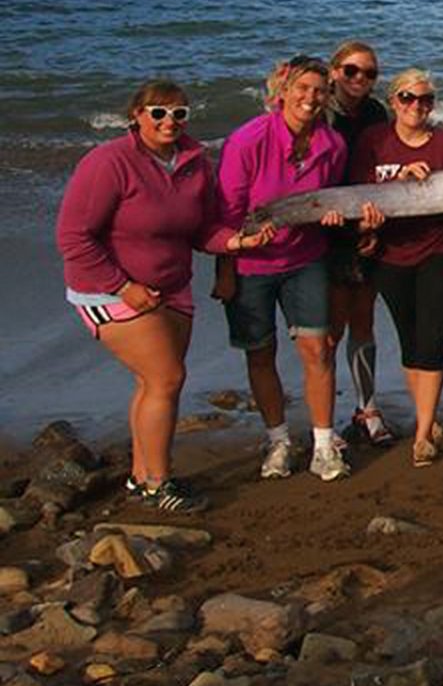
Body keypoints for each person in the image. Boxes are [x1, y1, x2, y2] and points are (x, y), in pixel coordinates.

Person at [57, 82, 272, 512]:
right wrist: (124, 288)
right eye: (158, 112)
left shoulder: (194, 162)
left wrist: (237, 243)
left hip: (172, 288)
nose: (169, 121)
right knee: (166, 379)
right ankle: (159, 484)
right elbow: (73, 237)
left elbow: (202, 230)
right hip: (108, 289)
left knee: (152, 382)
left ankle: (141, 477)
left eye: (179, 114)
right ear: (136, 116)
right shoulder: (109, 161)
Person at [217, 56, 364, 482]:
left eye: (319, 91)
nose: (310, 98)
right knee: (261, 352)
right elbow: (227, 213)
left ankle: (323, 446)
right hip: (251, 263)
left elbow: (327, 200)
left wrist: (333, 216)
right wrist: (224, 271)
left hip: (306, 259)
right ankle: (278, 440)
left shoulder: (332, 145)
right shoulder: (247, 140)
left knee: (318, 350)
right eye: (302, 88)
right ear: (282, 92)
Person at [349, 69, 443, 467]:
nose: (416, 106)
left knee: (433, 340)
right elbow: (357, 194)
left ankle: (422, 436)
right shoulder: (373, 141)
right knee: (410, 341)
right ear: (393, 101)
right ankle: (429, 421)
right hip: (390, 255)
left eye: (425, 99)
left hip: (439, 252)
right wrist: (396, 185)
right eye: (407, 97)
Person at [325, 40, 395, 446]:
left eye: (369, 73)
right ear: (335, 71)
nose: (359, 78)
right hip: (325, 226)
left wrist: (371, 230)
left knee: (363, 319)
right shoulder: (320, 110)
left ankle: (366, 408)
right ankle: (324, 420)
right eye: (351, 70)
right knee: (330, 327)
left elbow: (379, 170)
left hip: (366, 221)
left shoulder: (375, 113)